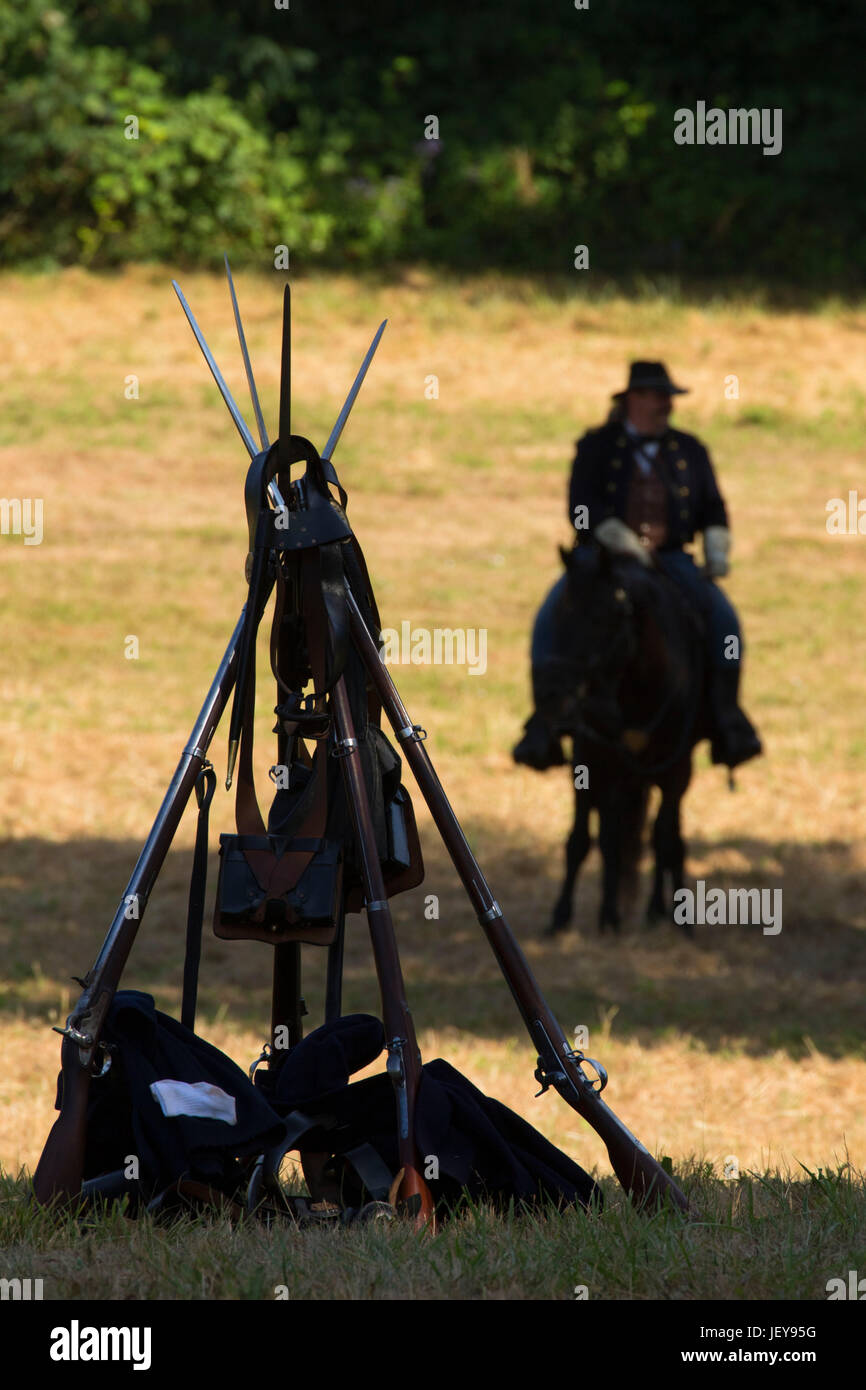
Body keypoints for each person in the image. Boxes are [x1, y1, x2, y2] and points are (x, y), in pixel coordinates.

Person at [513, 360, 762, 772]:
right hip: (603, 559)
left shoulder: (690, 449)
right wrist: (618, 539)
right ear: (633, 399)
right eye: (657, 395)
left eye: (669, 397)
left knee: (724, 620)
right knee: (550, 618)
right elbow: (580, 508)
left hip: (670, 561)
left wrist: (717, 547)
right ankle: (545, 725)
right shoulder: (596, 445)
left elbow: (713, 506)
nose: (666, 404)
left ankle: (727, 719)